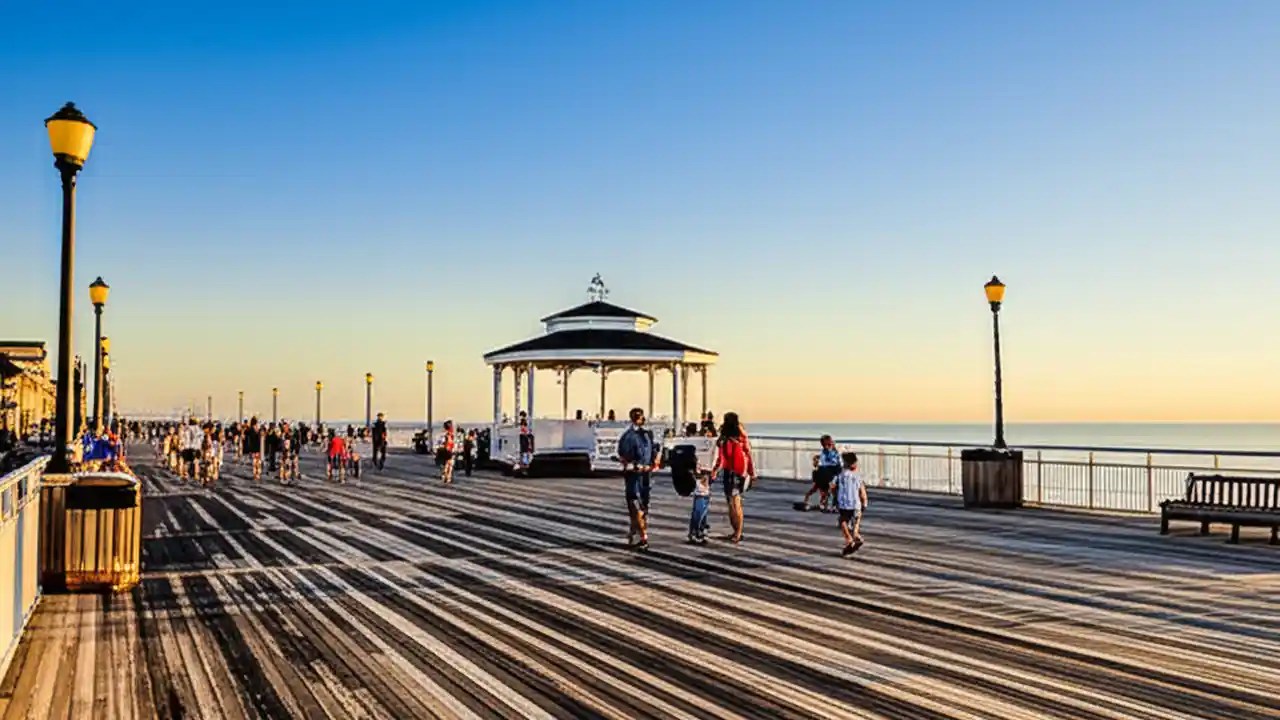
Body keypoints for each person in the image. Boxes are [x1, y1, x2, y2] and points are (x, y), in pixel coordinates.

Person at [616, 407, 659, 550]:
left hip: (635, 474)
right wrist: (653, 464)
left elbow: (622, 455)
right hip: (644, 473)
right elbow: (655, 451)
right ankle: (636, 532)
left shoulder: (628, 436)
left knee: (635, 505)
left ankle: (641, 535)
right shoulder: (647, 435)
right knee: (642, 505)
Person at [710, 411, 754, 544]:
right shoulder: (735, 439)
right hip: (736, 472)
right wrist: (752, 472)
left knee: (734, 502)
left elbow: (722, 458)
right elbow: (748, 454)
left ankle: (738, 532)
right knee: (732, 502)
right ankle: (736, 531)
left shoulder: (732, 440)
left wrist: (716, 470)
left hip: (735, 472)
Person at [833, 452, 868, 556]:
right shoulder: (858, 476)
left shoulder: (840, 476)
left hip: (844, 504)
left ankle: (849, 540)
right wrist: (864, 503)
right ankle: (857, 537)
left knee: (842, 521)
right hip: (856, 505)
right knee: (856, 522)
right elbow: (862, 492)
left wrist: (834, 497)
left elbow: (832, 487)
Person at [798, 435, 841, 512]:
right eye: (823, 445)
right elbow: (823, 463)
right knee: (821, 487)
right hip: (826, 473)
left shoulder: (835, 452)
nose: (825, 447)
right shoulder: (824, 452)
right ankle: (821, 503)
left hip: (834, 473)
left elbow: (836, 464)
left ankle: (833, 505)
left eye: (826, 445)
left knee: (832, 487)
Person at [688, 462, 712, 544]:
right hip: (702, 468)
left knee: (702, 497)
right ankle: (697, 530)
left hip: (704, 467)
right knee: (701, 496)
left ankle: (699, 528)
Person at [243, 417, 263, 481]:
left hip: (253, 447)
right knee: (258, 462)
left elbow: (245, 433)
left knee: (254, 462)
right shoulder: (259, 429)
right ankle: (258, 474)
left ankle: (255, 475)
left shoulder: (250, 429)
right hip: (259, 447)